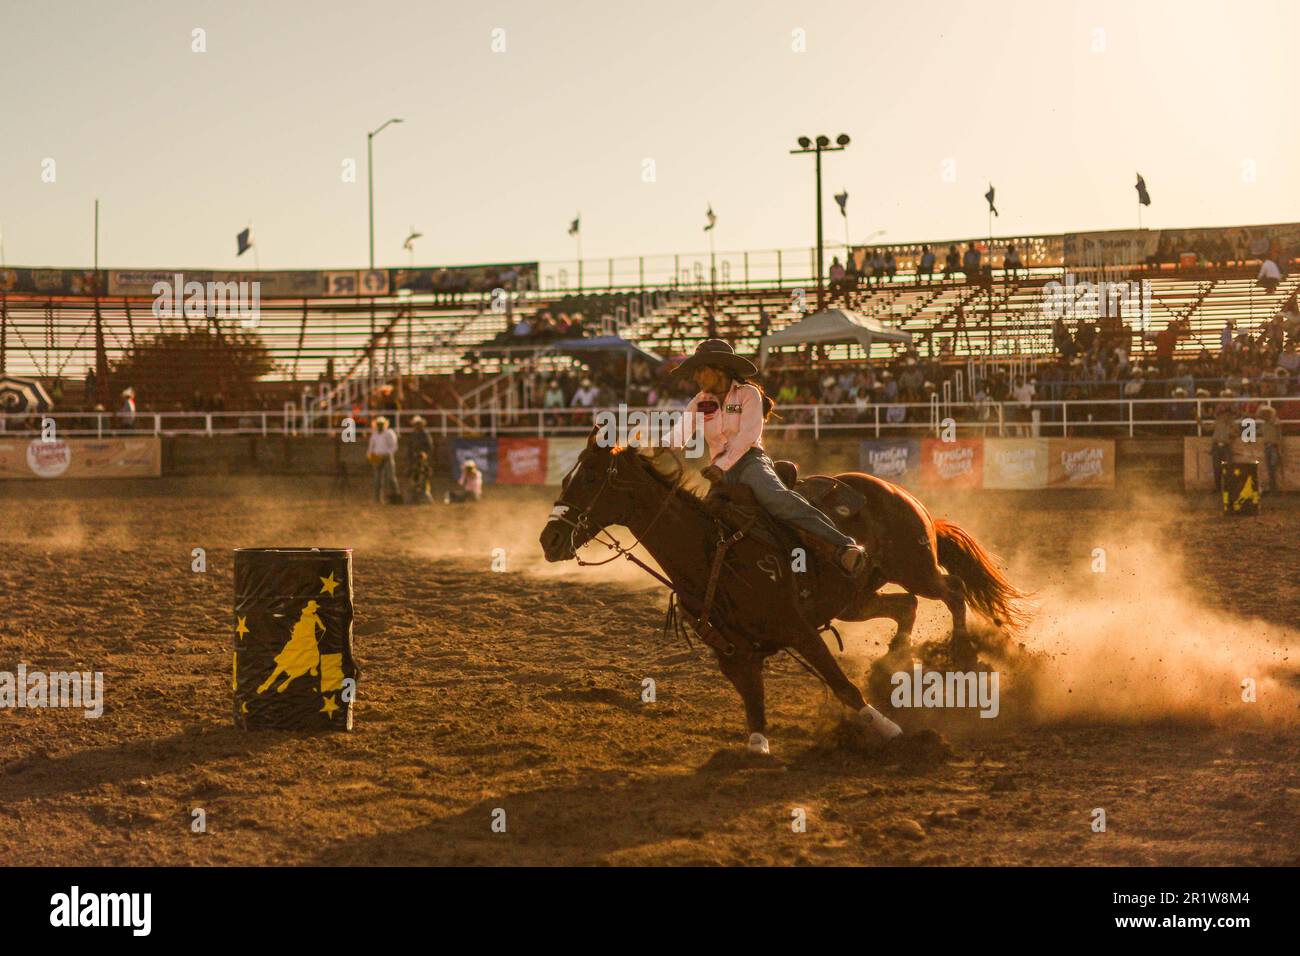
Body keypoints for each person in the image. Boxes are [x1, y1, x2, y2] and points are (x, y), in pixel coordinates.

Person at [667, 339, 868, 576]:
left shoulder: (747, 394)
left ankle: (843, 544)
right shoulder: (700, 402)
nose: (696, 377)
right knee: (702, 520)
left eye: (701, 370)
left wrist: (721, 466)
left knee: (777, 500)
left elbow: (747, 436)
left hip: (750, 461)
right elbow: (678, 435)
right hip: (719, 472)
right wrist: (648, 447)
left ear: (719, 368)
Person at [367, 416, 400, 503]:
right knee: (377, 479)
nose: (379, 426)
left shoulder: (389, 433)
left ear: (384, 424)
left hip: (387, 456)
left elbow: (394, 446)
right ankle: (377, 499)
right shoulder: (374, 434)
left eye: (381, 424)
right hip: (377, 457)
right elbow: (371, 448)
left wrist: (387, 454)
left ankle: (395, 497)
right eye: (378, 424)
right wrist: (372, 458)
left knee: (391, 477)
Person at [406, 416, 435, 502]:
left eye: (418, 424)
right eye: (416, 424)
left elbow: (430, 447)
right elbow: (410, 447)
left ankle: (425, 496)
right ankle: (415, 497)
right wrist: (410, 458)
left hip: (423, 459)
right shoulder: (413, 434)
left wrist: (425, 455)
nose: (417, 426)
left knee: (423, 477)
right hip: (415, 459)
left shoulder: (425, 434)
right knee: (414, 477)